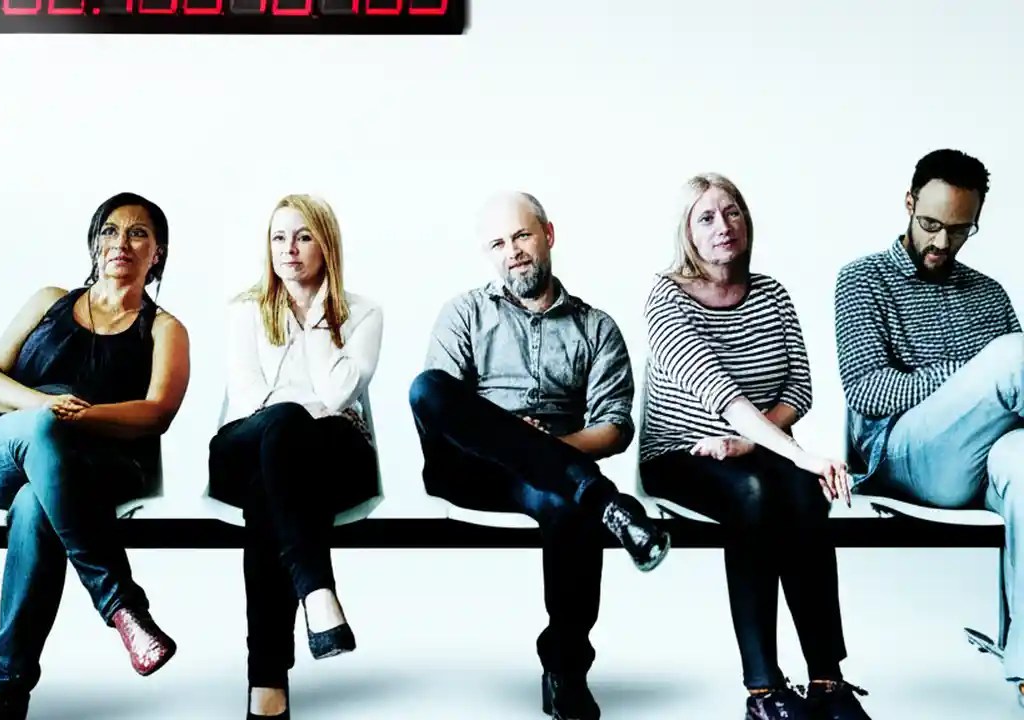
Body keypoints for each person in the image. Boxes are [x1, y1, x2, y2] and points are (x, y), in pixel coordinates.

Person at [407, 191, 670, 720]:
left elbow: (616, 428)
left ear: (548, 235)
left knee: (565, 503)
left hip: (549, 478)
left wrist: (542, 448)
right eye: (498, 243)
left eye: (522, 236)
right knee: (426, 387)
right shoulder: (464, 313)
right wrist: (507, 433)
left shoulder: (595, 328)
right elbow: (443, 410)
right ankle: (607, 503)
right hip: (466, 468)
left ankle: (566, 673)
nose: (513, 251)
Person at [639, 173, 868, 720]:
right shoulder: (665, 296)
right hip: (681, 453)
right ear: (687, 233)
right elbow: (717, 389)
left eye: (732, 212)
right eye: (707, 217)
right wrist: (778, 447)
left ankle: (827, 682)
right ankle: (764, 692)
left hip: (759, 449)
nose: (723, 226)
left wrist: (753, 441)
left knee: (806, 494)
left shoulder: (772, 293)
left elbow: (800, 389)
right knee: (755, 497)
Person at [0, 192, 190, 720]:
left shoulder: (163, 330)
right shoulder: (49, 299)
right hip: (5, 449)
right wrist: (48, 409)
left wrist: (82, 418)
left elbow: (157, 413)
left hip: (95, 467)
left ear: (157, 253)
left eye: (138, 234)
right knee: (39, 443)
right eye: (110, 231)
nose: (121, 243)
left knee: (34, 506)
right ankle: (121, 605)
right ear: (94, 243)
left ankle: (3, 691)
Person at [834, 149, 1024, 706]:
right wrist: (975, 370)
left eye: (961, 230)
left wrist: (984, 376)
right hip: (900, 457)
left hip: (983, 460)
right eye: (931, 225)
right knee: (1014, 356)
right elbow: (868, 390)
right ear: (910, 204)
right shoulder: (862, 279)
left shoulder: (988, 295)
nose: (943, 243)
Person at [208, 194, 382, 720]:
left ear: (326, 246)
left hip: (334, 456)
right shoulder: (245, 309)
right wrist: (297, 415)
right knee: (280, 427)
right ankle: (318, 593)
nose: (290, 249)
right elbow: (248, 398)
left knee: (271, 501)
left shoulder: (364, 314)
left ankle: (266, 683)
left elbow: (339, 394)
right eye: (280, 237)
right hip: (245, 443)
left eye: (304, 237)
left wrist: (323, 320)